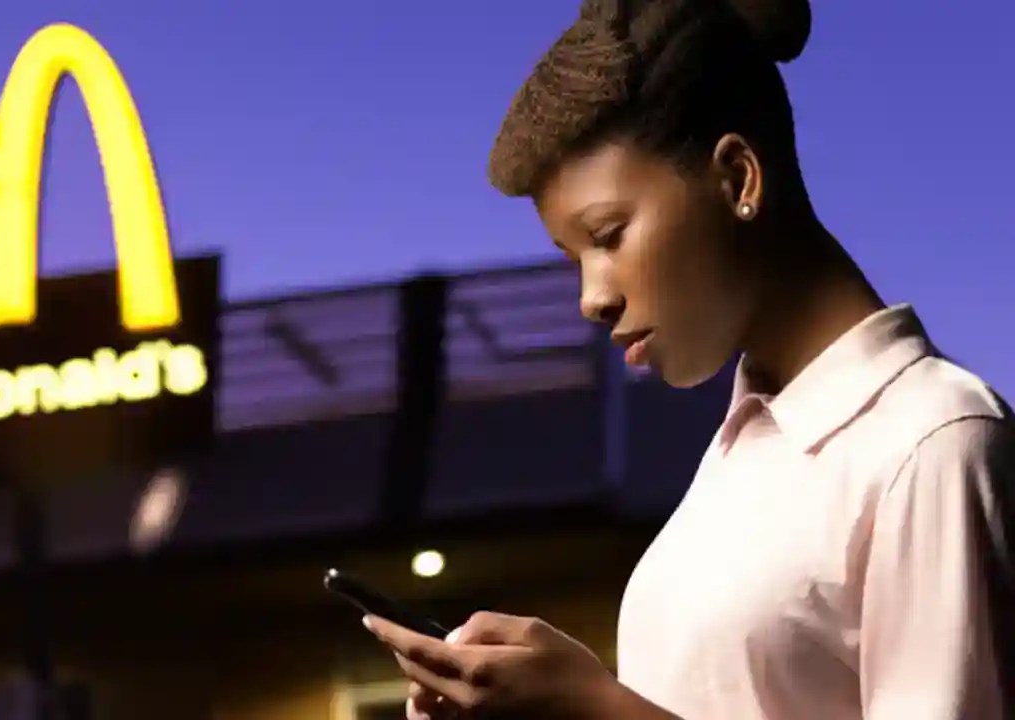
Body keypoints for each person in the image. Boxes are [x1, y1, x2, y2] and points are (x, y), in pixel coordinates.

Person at [361, 0, 1015, 718]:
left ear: (738, 178)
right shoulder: (740, 458)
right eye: (572, 258)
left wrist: (599, 709)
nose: (590, 299)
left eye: (607, 235)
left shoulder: (933, 441)